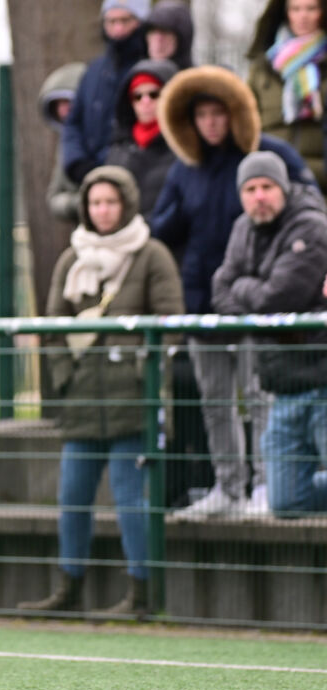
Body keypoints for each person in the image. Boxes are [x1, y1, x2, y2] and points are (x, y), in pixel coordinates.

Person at [18, 166, 184, 616]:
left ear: (127, 203)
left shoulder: (152, 255)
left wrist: (142, 375)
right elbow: (52, 328)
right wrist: (66, 376)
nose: (103, 210)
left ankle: (142, 595)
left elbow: (171, 326)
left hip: (133, 401)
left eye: (111, 201)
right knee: (72, 497)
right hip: (83, 399)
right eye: (95, 202)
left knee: (132, 500)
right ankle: (68, 590)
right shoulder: (74, 258)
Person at [151, 65, 315, 517]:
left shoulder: (271, 155)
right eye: (201, 114)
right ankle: (228, 486)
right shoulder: (185, 170)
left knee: (259, 397)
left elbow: (309, 201)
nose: (210, 122)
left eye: (218, 113)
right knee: (215, 403)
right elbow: (160, 228)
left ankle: (265, 484)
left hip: (260, 308)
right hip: (203, 304)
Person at [211, 152, 327, 516]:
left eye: (267, 187)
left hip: (322, 382)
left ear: (283, 188)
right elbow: (220, 292)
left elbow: (276, 298)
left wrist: (245, 289)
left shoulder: (311, 226)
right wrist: (255, 294)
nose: (259, 196)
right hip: (283, 385)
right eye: (250, 189)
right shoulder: (242, 228)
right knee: (287, 502)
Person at [63, 0, 149, 185]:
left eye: (125, 20)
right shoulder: (93, 71)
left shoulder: (148, 70)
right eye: (111, 21)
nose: (118, 28)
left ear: (140, 22)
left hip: (134, 175)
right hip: (89, 177)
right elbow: (73, 122)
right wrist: (77, 163)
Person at [246, 0, 327, 192]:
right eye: (296, 9)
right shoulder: (263, 68)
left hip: (320, 184)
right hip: (269, 185)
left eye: (311, 8)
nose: (303, 16)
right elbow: (247, 124)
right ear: (286, 13)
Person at [105, 59, 178, 214]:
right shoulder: (119, 148)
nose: (145, 102)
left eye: (154, 94)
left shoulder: (183, 149)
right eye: (137, 96)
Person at [39, 62, 87, 224]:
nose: (63, 110)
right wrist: (81, 204)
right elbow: (54, 197)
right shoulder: (66, 144)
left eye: (68, 102)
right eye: (59, 104)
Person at [144, 0, 195, 70]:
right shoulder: (137, 75)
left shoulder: (195, 79)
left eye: (165, 31)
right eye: (152, 31)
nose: (158, 39)